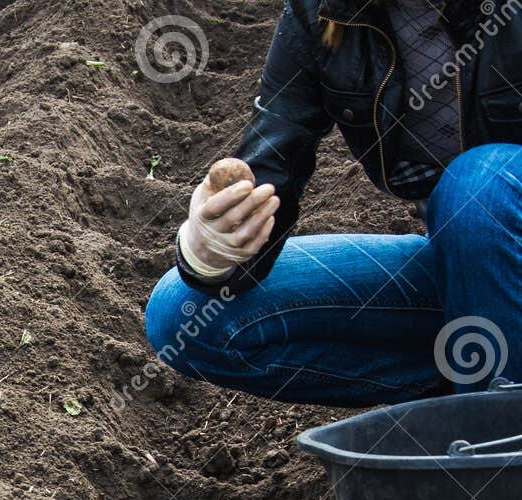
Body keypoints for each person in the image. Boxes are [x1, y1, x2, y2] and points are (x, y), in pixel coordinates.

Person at [144, 0, 522, 406]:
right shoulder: (322, 12)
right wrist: (214, 248)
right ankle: (481, 389)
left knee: (480, 184)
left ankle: (492, 444)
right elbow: (272, 164)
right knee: (186, 316)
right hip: (483, 287)